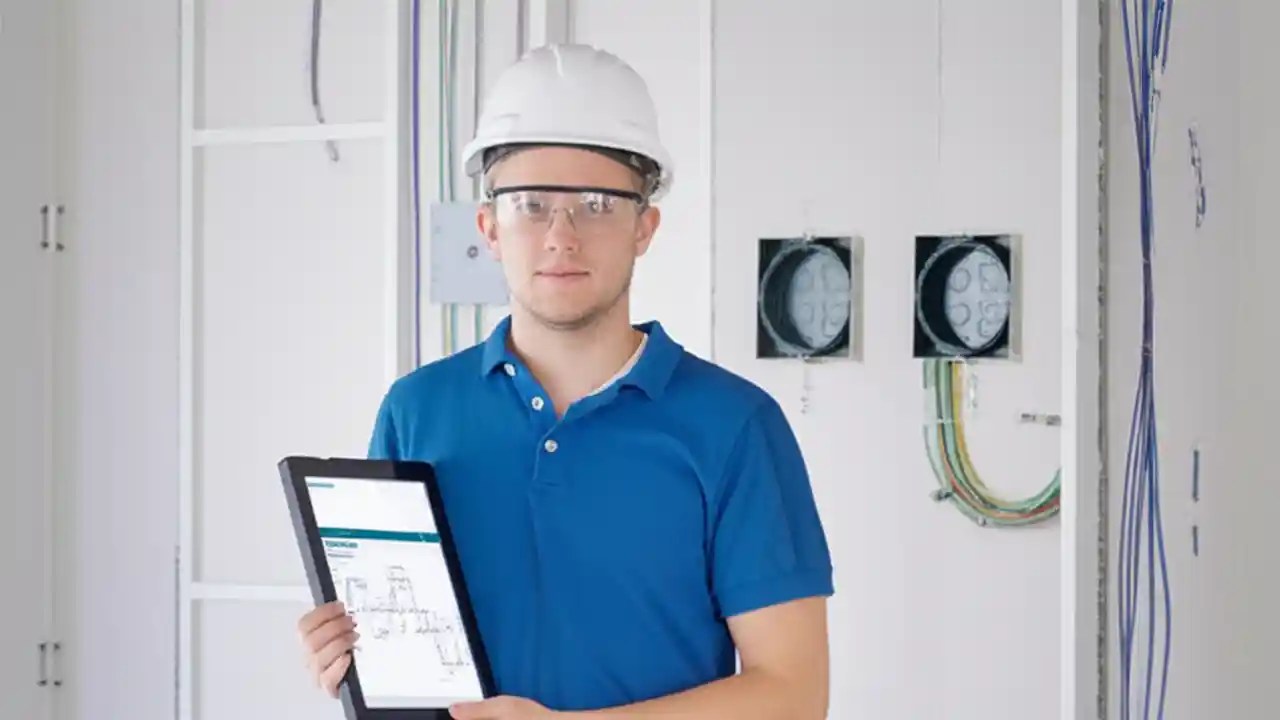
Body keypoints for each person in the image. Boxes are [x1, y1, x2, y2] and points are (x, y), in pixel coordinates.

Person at [296, 43, 834, 719]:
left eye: (597, 204)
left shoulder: (735, 425)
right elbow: (402, 662)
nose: (561, 235)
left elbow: (793, 694)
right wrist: (349, 654)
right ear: (489, 227)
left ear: (645, 226)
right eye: (531, 205)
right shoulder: (416, 411)